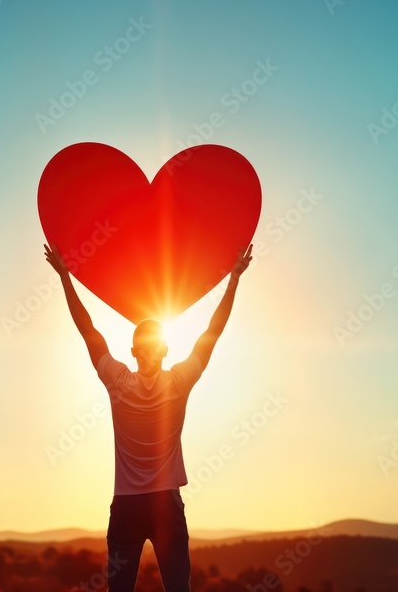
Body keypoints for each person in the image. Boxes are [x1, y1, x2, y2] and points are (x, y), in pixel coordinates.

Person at [43, 243, 253, 592]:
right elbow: (211, 334)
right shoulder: (178, 382)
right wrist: (233, 280)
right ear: (162, 350)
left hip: (126, 505)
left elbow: (89, 331)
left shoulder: (118, 380)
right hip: (164, 505)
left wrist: (65, 276)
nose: (146, 354)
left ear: (139, 351)